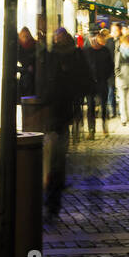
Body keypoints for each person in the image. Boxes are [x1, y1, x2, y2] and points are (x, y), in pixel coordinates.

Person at [38, 28, 85, 218]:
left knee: (54, 155)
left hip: (56, 112)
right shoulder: (68, 56)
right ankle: (53, 193)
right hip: (60, 112)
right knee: (56, 155)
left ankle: (52, 195)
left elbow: (47, 85)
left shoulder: (55, 57)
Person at [84, 30, 114, 136]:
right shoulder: (86, 51)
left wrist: (105, 77)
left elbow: (110, 66)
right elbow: (83, 68)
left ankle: (105, 128)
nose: (93, 40)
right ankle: (91, 130)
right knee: (90, 107)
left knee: (103, 106)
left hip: (102, 82)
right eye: (91, 38)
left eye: (94, 38)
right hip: (90, 84)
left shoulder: (105, 51)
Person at [17, 26, 36, 99]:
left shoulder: (34, 46)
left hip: (31, 79)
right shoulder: (18, 48)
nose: (25, 38)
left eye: (26, 36)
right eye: (23, 36)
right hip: (25, 78)